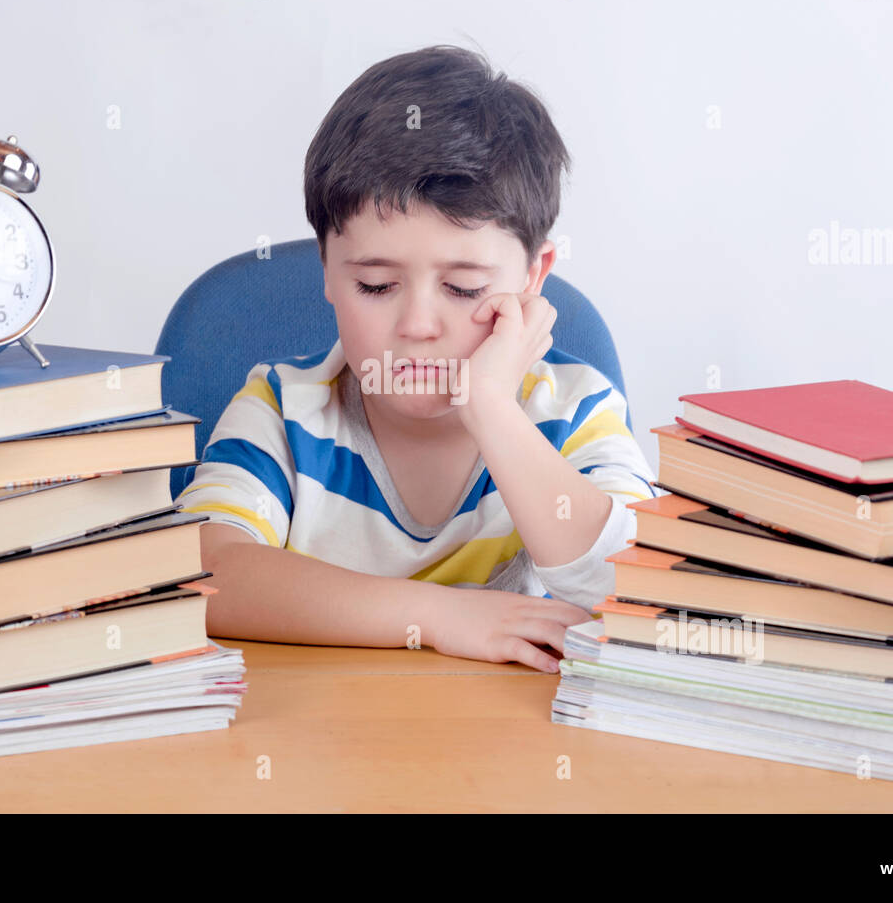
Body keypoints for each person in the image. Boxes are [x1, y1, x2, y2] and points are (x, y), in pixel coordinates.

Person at [177, 45, 658, 673]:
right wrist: (433, 615)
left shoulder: (574, 410)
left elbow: (636, 593)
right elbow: (203, 574)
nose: (418, 326)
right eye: (376, 286)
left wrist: (492, 409)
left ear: (534, 276)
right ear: (326, 271)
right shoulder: (284, 409)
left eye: (464, 289)